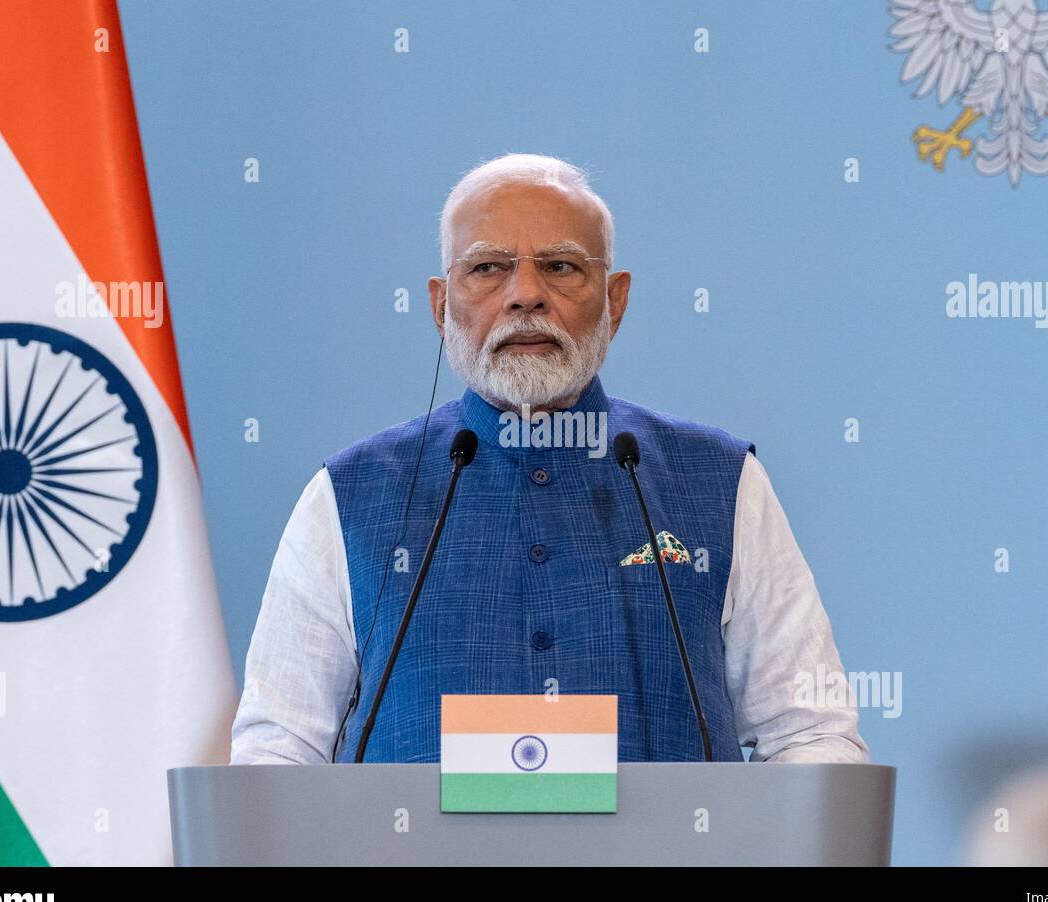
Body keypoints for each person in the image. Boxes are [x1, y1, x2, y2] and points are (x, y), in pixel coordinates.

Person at [230, 153, 869, 764]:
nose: (526, 295)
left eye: (562, 267)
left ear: (615, 301)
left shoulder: (722, 485)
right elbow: (277, 752)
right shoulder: (349, 497)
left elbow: (811, 732)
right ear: (438, 305)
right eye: (487, 268)